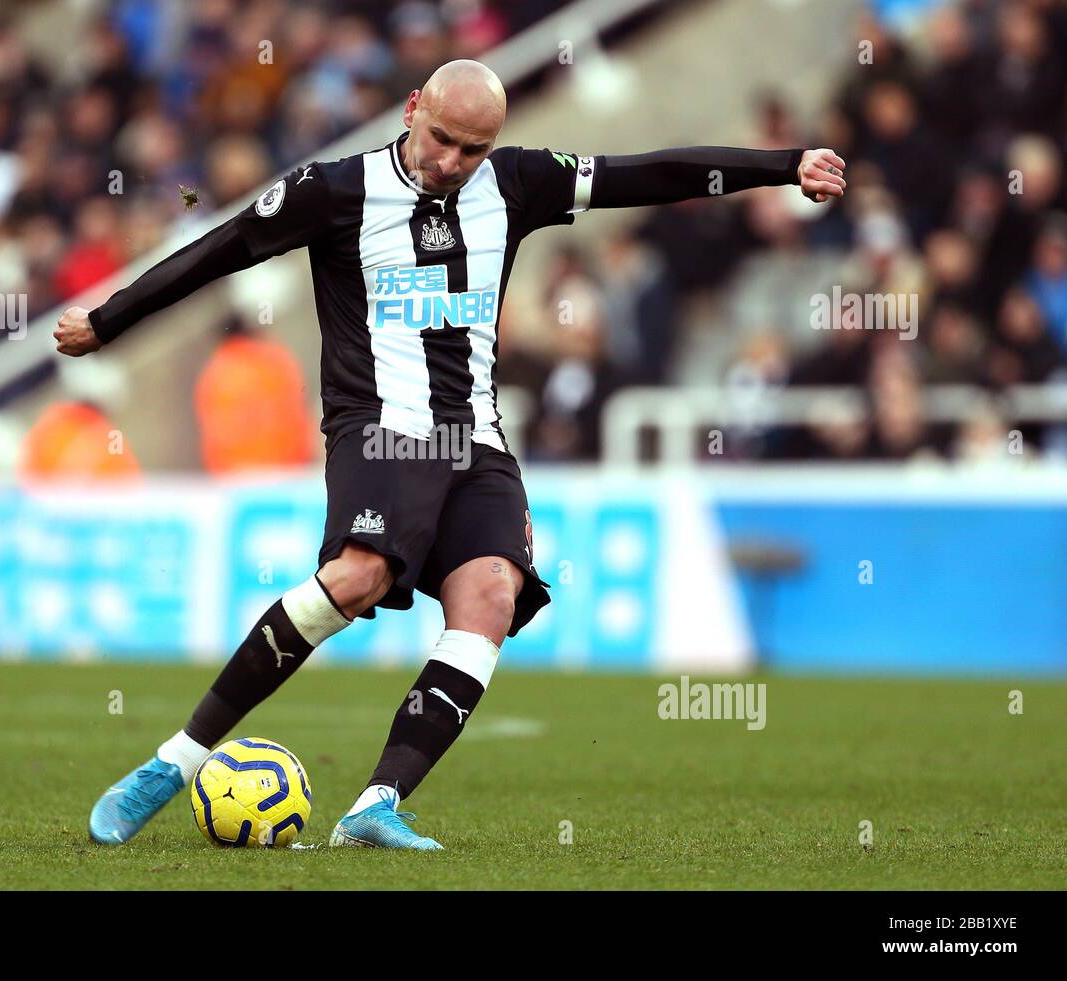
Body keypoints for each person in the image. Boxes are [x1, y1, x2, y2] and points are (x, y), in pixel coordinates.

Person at [55, 59, 846, 849]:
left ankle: (375, 804)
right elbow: (221, 247)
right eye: (440, 139)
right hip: (378, 426)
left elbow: (650, 174)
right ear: (410, 110)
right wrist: (109, 319)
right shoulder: (333, 192)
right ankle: (173, 762)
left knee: (492, 595)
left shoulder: (518, 184)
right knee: (358, 576)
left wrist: (781, 167)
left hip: (474, 433)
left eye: (474, 148)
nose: (452, 162)